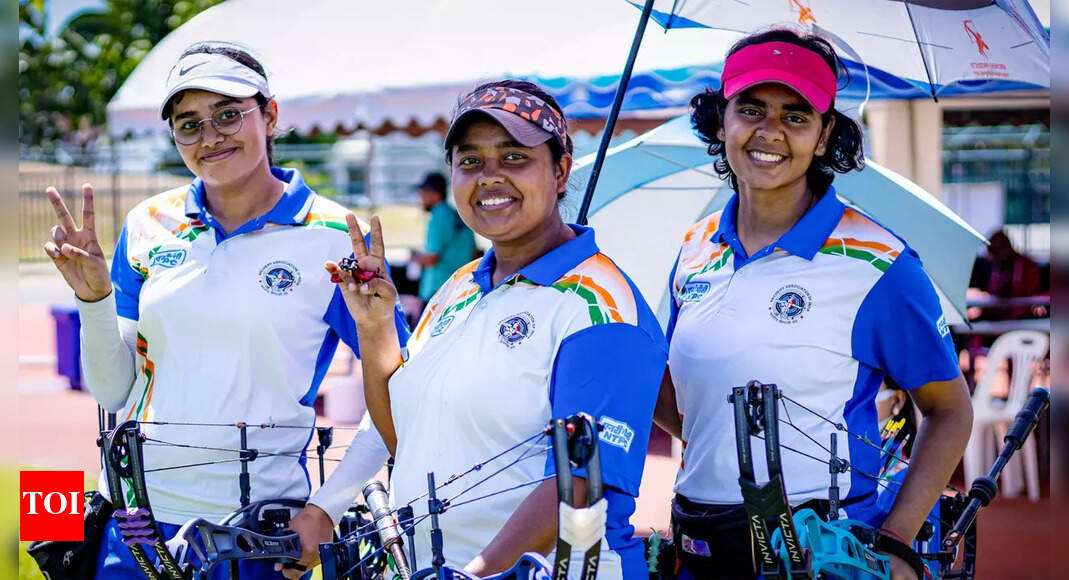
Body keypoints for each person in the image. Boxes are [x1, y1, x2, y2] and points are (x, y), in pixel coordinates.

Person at [43, 41, 409, 579]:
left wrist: (327, 509)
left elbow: (400, 394)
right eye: (189, 124)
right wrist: (93, 300)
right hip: (133, 521)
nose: (210, 137)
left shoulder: (334, 236)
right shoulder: (147, 222)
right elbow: (112, 392)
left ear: (270, 115)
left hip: (254, 536)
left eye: (228, 114)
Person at [288, 80, 667, 579]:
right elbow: (405, 437)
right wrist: (375, 326)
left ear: (560, 171)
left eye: (514, 157)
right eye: (470, 161)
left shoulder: (603, 306)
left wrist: (474, 573)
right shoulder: (460, 285)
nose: (489, 176)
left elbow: (577, 485)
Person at [652, 29, 973, 580]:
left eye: (796, 116)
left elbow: (950, 412)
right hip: (698, 550)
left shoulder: (880, 264)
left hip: (824, 556)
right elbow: (679, 398)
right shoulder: (694, 248)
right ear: (721, 121)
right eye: (750, 109)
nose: (769, 131)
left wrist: (897, 543)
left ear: (824, 136)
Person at [411, 171, 478, 304]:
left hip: (438, 290)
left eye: (423, 192)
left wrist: (415, 258)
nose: (420, 197)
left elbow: (432, 258)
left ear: (435, 194)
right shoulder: (459, 215)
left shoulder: (438, 216)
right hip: (461, 287)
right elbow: (475, 253)